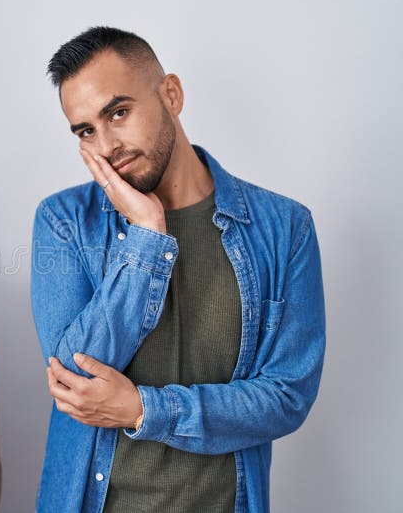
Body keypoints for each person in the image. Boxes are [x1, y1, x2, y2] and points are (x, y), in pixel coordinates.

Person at [31, 27, 325, 512]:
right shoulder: (64, 222)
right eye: (86, 131)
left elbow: (287, 395)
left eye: (118, 113)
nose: (105, 146)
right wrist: (147, 236)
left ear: (171, 93)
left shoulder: (284, 228)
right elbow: (74, 381)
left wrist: (146, 410)